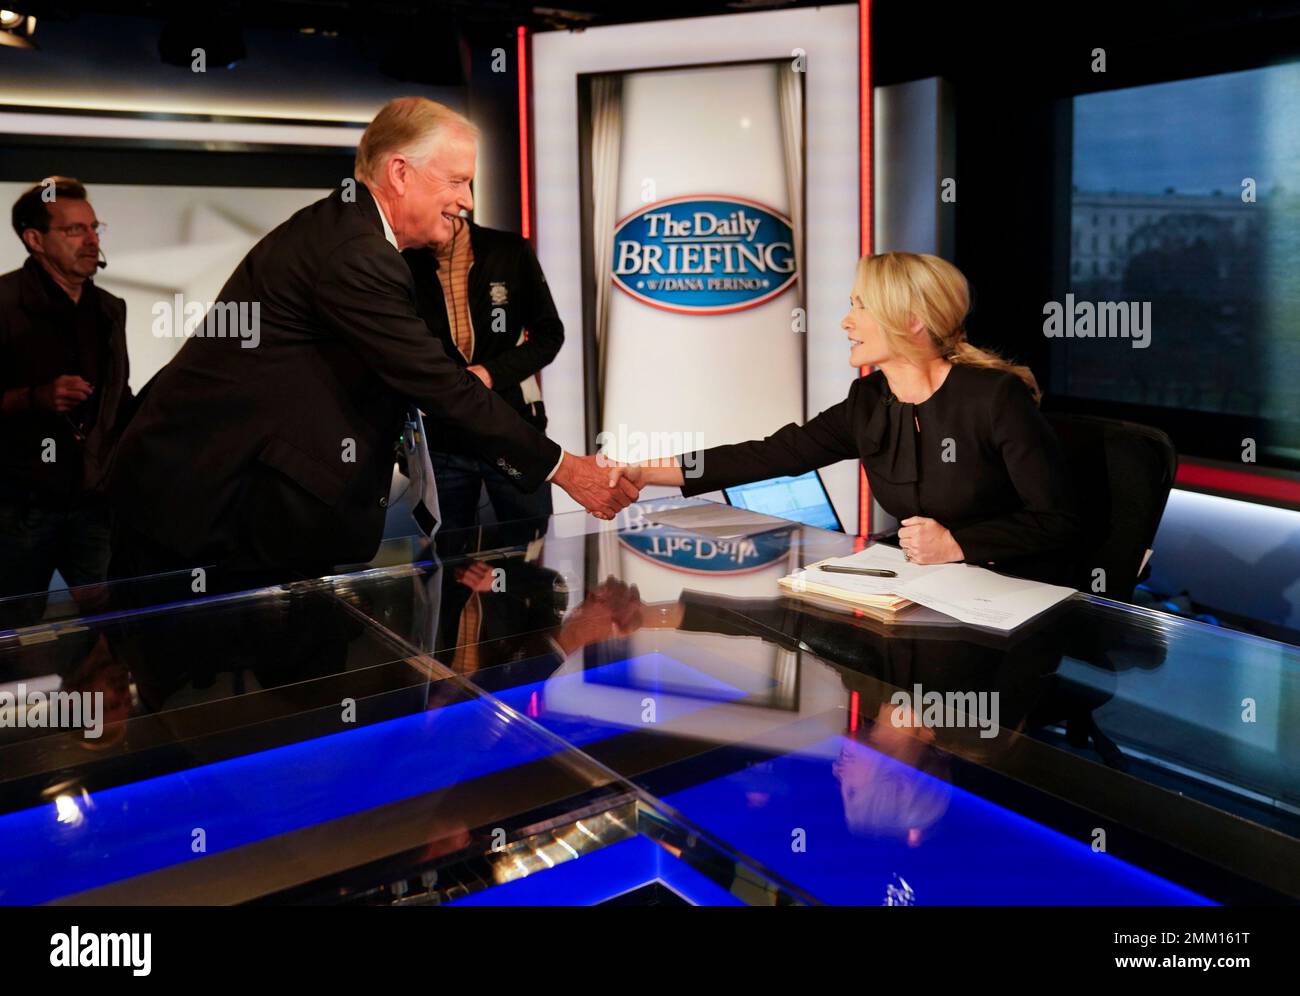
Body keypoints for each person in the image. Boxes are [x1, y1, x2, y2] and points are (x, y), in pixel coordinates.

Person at [108, 98, 637, 589]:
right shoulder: (355, 252)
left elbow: (438, 369)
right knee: (229, 677)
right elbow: (439, 384)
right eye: (457, 182)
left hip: (245, 508)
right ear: (400, 173)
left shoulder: (361, 240)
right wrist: (566, 469)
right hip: (213, 509)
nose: (467, 201)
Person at [611, 251, 1081, 585]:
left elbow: (1058, 520)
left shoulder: (995, 398)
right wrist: (645, 472)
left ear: (912, 320)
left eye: (860, 306)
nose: (846, 322)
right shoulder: (870, 399)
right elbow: (770, 455)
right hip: (930, 589)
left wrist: (959, 545)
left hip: (1014, 595)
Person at [0, 177, 133, 621]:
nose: (92, 239)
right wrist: (35, 398)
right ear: (34, 239)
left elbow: (118, 398)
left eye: (94, 227)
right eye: (75, 230)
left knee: (115, 626)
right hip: (18, 507)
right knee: (12, 635)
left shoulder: (110, 308)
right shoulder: (3, 303)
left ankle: (101, 692)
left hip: (93, 503)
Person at [403, 217, 562, 546]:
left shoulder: (508, 251)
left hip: (514, 429)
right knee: (443, 555)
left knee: (531, 548)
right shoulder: (403, 260)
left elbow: (549, 335)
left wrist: (489, 373)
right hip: (441, 441)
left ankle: (505, 590)